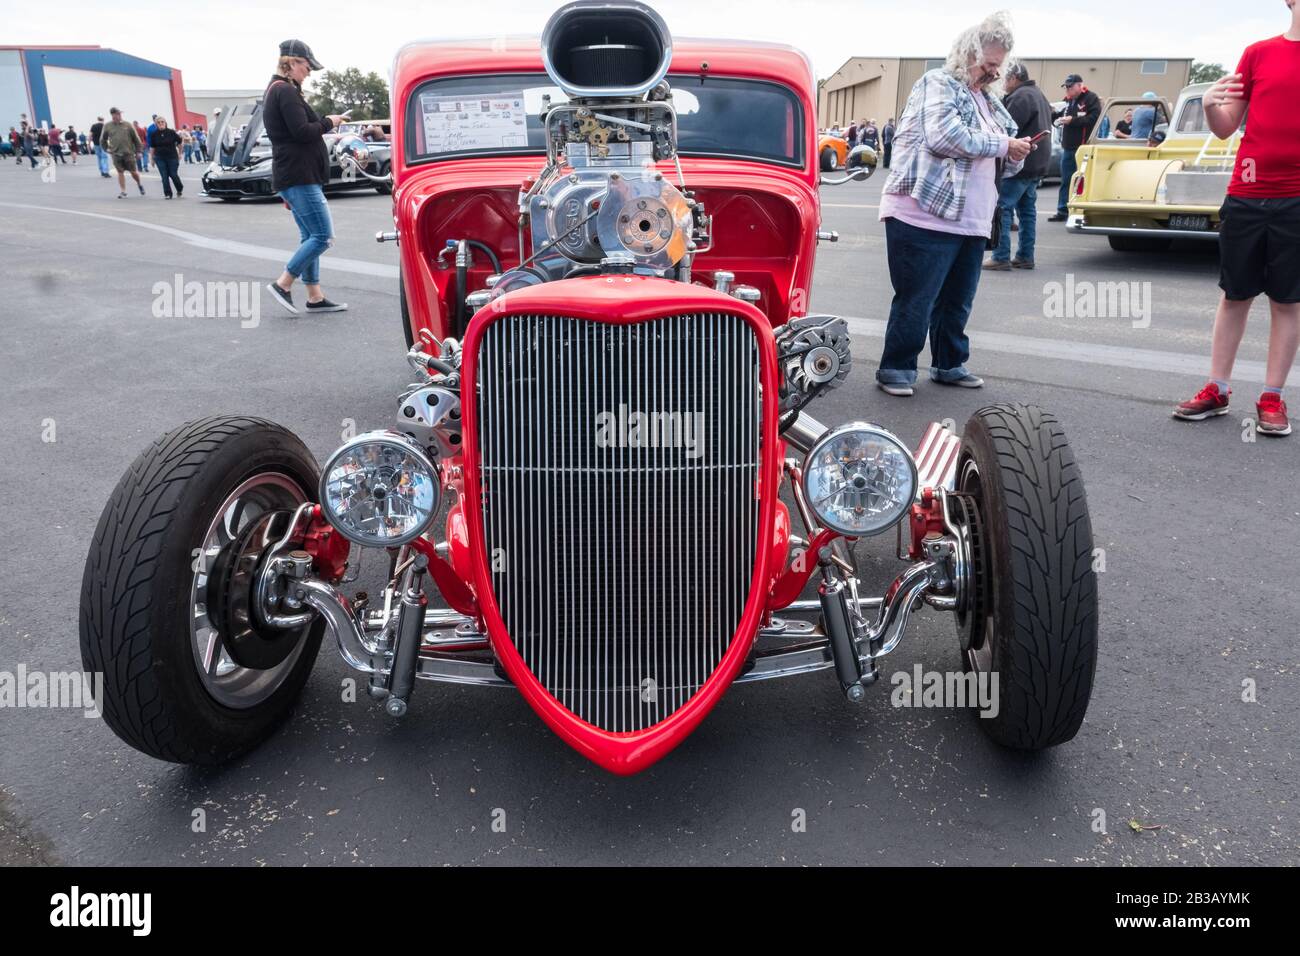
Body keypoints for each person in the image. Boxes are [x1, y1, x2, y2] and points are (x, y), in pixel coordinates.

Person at [875, 11, 1032, 396]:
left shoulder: (990, 103)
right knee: (917, 297)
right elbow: (944, 136)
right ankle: (896, 368)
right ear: (967, 54)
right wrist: (1003, 145)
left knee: (958, 301)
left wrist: (1017, 154)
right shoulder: (938, 82)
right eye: (989, 63)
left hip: (971, 219)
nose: (995, 71)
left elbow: (1003, 162)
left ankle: (949, 363)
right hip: (923, 213)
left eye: (1000, 65)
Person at [1172, 0, 1300, 437]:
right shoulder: (1258, 53)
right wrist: (1209, 105)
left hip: (1296, 200)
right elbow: (1226, 126)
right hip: (1247, 194)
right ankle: (1217, 388)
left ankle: (1271, 397)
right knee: (1234, 296)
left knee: (1287, 301)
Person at [263, 39, 349, 315]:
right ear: (291, 64)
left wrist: (324, 124)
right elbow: (302, 131)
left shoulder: (280, 90)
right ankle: (283, 283)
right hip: (299, 175)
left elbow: (296, 131)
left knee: (310, 235)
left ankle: (314, 296)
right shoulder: (285, 92)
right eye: (307, 66)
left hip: (295, 175)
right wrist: (329, 122)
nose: (309, 72)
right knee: (323, 236)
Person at [984, 61, 1051, 271]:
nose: (1002, 82)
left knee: (1003, 208)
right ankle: (1024, 256)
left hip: (1021, 163)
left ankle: (1001, 256)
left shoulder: (1021, 97)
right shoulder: (1038, 94)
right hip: (1036, 164)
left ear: (1014, 78)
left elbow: (1007, 129)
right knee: (1027, 212)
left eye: (1005, 78)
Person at [1047, 73, 1101, 221]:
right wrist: (1053, 115)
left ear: (1080, 85)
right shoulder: (1067, 101)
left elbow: (1094, 119)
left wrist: (1073, 120)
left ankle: (1082, 210)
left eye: (1070, 86)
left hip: (1084, 147)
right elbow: (1057, 119)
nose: (1068, 90)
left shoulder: (1091, 98)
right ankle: (1062, 210)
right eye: (1066, 87)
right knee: (1066, 180)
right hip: (1068, 146)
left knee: (1083, 180)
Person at [101, 107, 145, 197]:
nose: (120, 115)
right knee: (120, 172)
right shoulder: (107, 126)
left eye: (120, 114)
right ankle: (123, 191)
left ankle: (139, 184)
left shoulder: (128, 125)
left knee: (133, 172)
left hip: (128, 153)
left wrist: (139, 151)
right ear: (113, 115)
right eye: (117, 114)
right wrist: (106, 149)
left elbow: (136, 139)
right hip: (116, 154)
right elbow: (103, 139)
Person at [149, 116, 184, 198]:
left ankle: (179, 188)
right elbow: (152, 147)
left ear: (165, 123)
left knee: (173, 174)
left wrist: (180, 153)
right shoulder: (154, 134)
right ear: (156, 124)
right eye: (159, 122)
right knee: (164, 176)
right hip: (159, 157)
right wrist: (152, 159)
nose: (161, 123)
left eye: (162, 122)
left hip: (172, 157)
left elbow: (179, 143)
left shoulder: (171, 132)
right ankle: (168, 193)